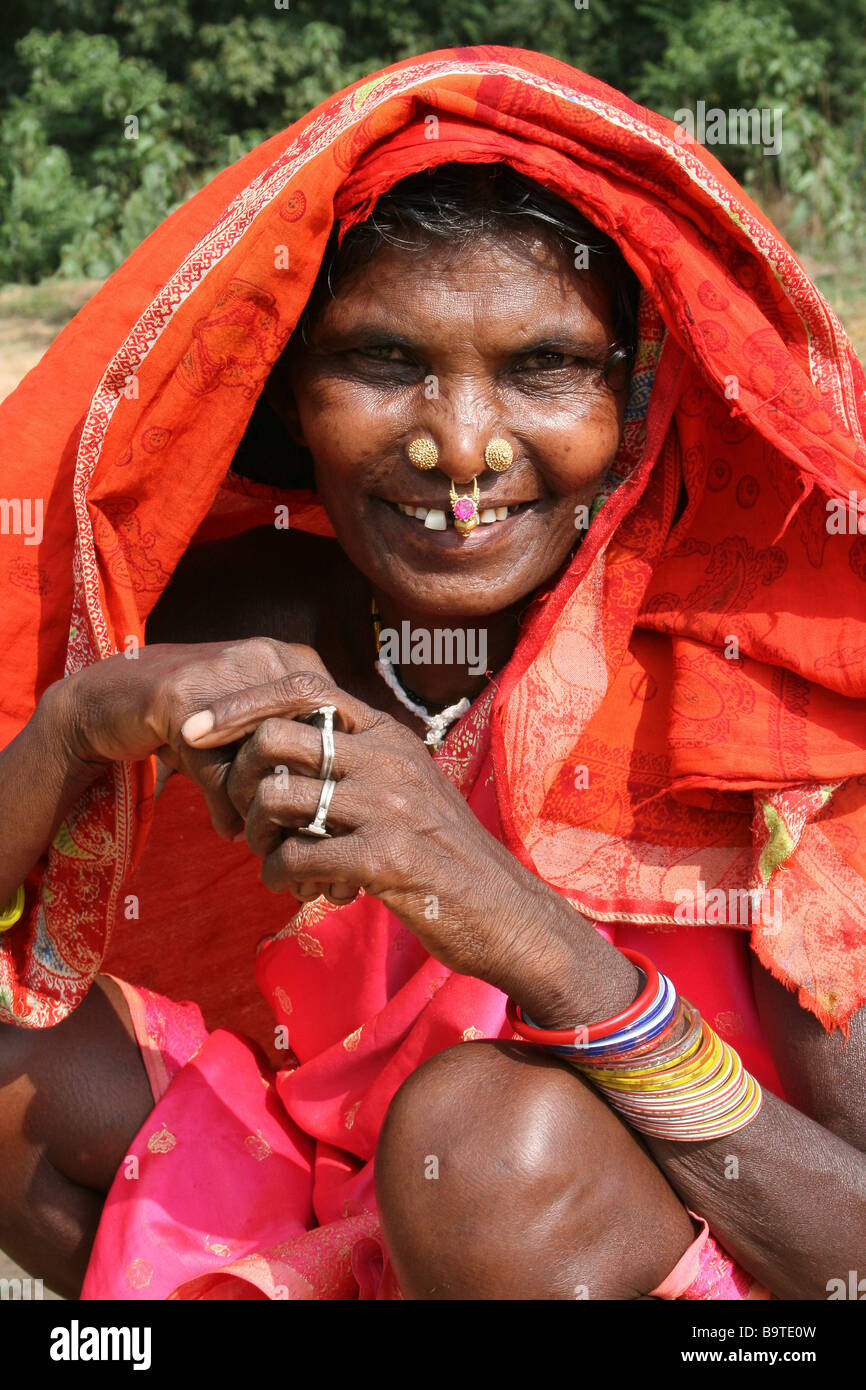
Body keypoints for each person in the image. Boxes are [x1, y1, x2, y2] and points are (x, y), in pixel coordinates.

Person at [0, 44, 864, 1302]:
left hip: (673, 1259)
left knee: (488, 1145)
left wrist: (525, 933)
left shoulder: (760, 701)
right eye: (384, 361)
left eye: (542, 368)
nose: (457, 448)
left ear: (637, 396)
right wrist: (74, 724)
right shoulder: (243, 617)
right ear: (291, 395)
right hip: (348, 1211)